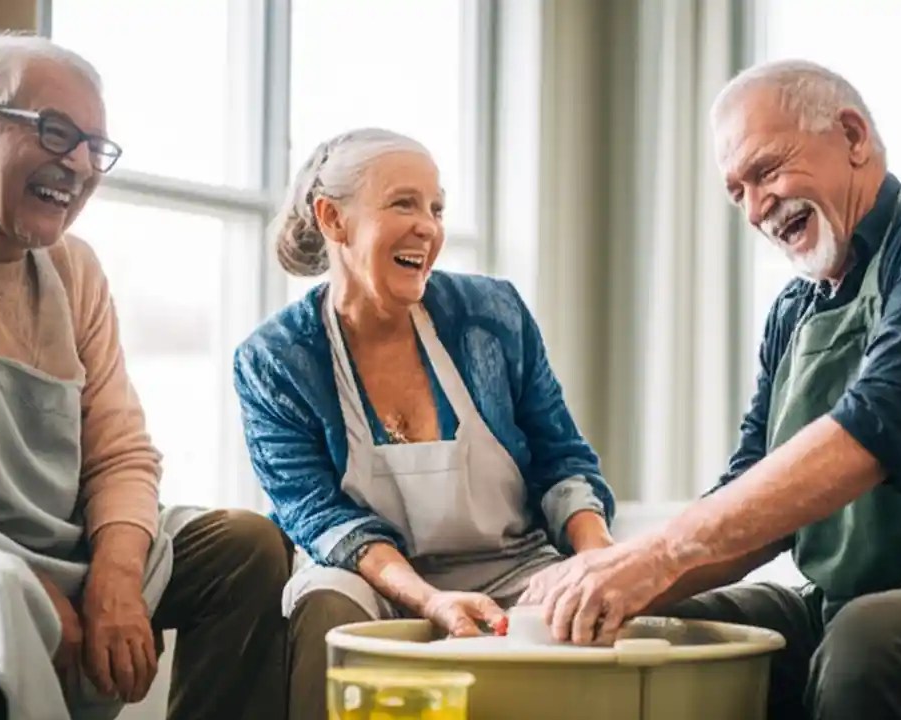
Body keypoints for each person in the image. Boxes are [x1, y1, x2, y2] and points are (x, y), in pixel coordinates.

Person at [518, 59, 901, 719]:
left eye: (766, 170)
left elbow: (881, 425)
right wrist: (601, 584)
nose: (755, 206)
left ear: (853, 136)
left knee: (869, 646)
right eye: (736, 190)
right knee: (653, 633)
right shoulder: (793, 311)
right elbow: (752, 484)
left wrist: (659, 552)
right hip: (838, 604)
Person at [0, 33, 290, 720]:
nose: (80, 165)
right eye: (56, 133)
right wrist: (16, 578)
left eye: (94, 147)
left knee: (246, 547)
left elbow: (121, 454)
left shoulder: (75, 269)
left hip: (41, 546)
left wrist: (114, 576)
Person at [233, 128, 617, 720]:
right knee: (323, 601)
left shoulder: (493, 314)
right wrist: (430, 599)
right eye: (403, 204)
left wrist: (598, 562)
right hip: (376, 582)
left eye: (436, 208)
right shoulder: (274, 358)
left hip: (517, 567)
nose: (429, 227)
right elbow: (318, 515)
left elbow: (562, 460)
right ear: (333, 218)